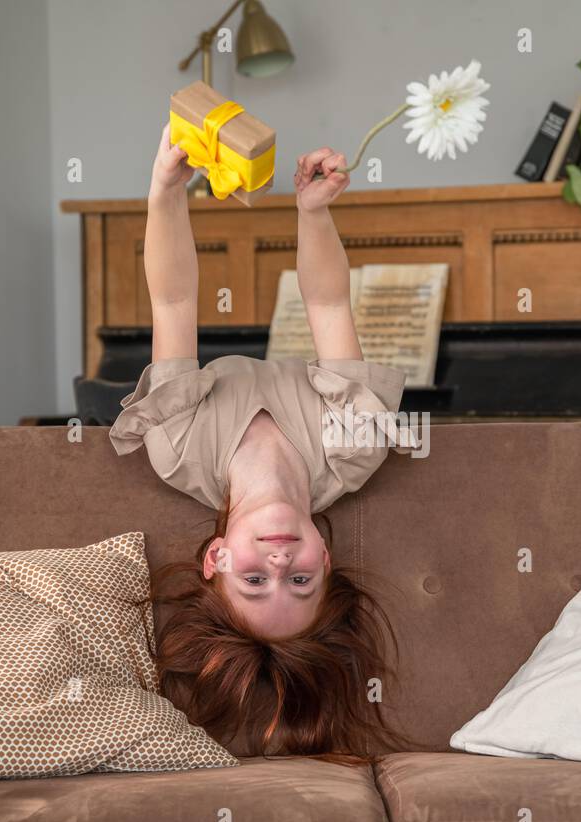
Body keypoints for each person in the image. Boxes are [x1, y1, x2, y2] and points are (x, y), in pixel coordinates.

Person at [108, 124, 417, 761]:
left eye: (253, 580)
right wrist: (312, 211)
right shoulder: (351, 450)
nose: (279, 566)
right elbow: (329, 306)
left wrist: (166, 192)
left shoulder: (180, 448)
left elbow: (173, 300)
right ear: (324, 561)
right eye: (301, 581)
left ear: (215, 558)